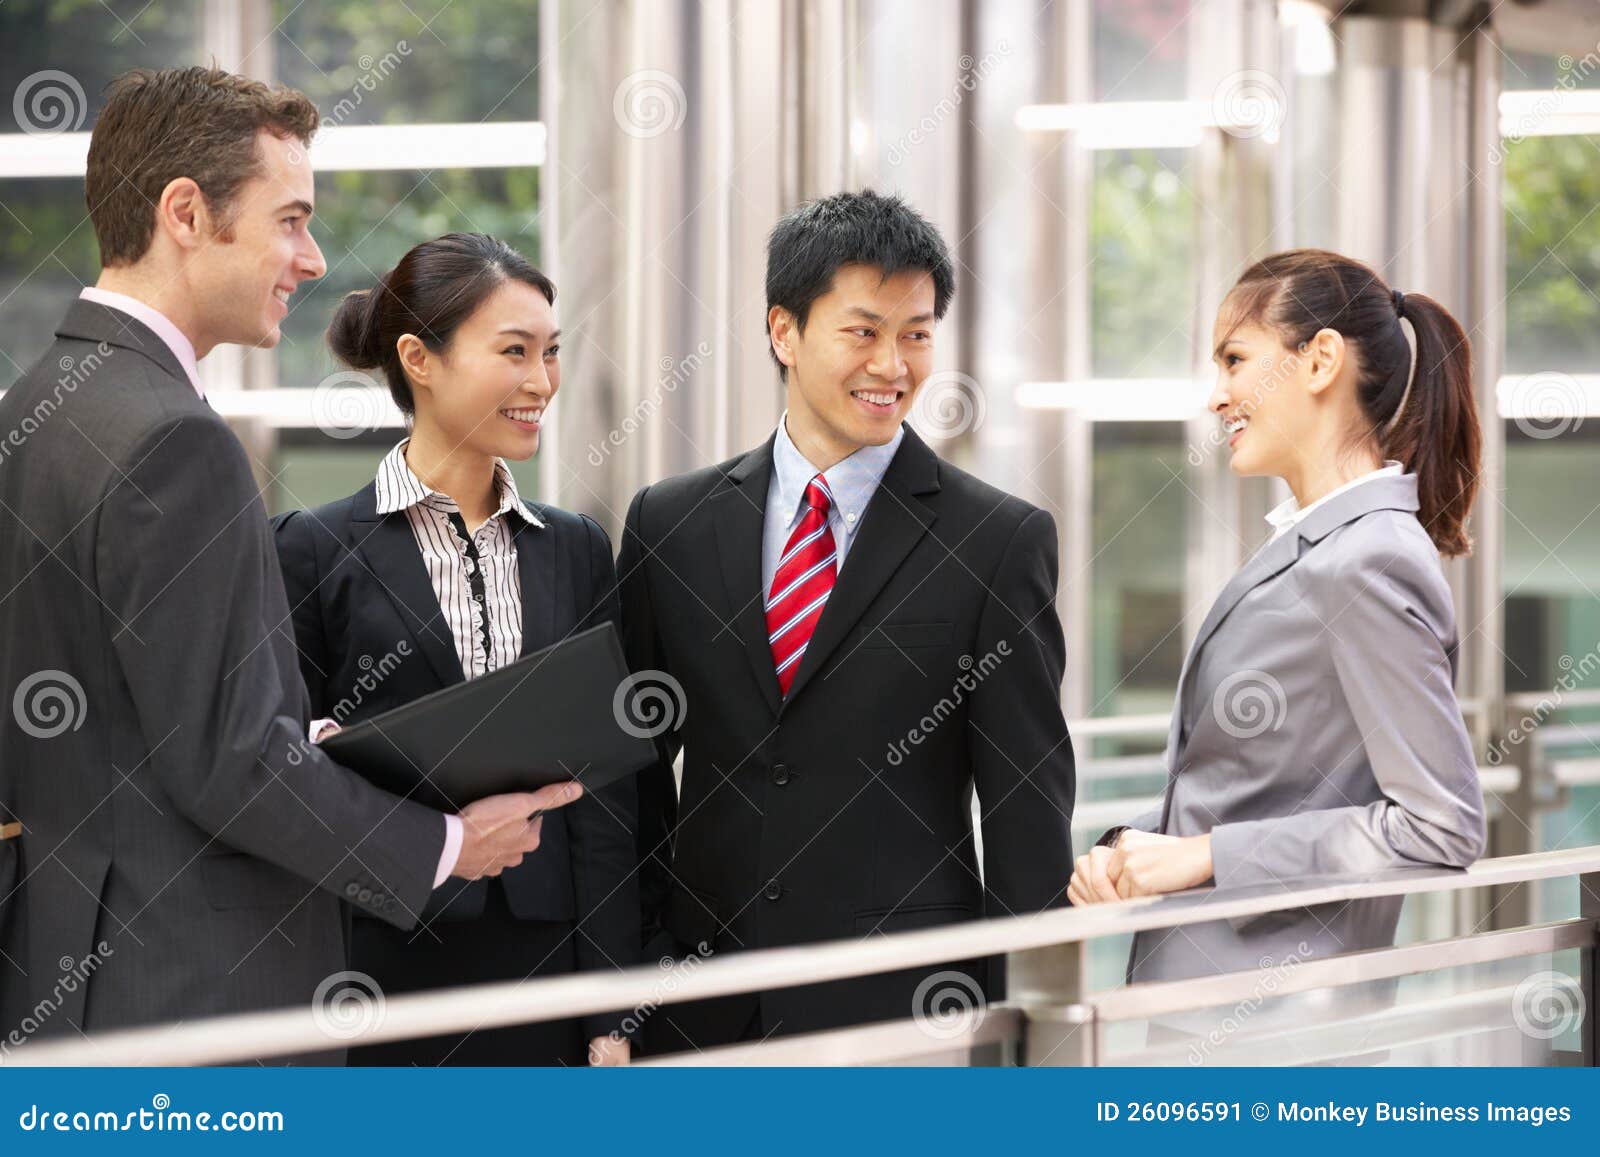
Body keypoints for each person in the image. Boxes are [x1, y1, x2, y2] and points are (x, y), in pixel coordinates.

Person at [0, 68, 577, 1061]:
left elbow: (120, 717)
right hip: (191, 1001)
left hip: (66, 974)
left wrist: (296, 735)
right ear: (186, 213)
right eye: (290, 221)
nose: (310, 259)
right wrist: (448, 843)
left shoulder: (36, 406)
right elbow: (230, 764)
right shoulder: (175, 440)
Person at [618, 190, 1076, 1052]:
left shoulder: (996, 540)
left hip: (907, 1015)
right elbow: (630, 779)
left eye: (916, 334)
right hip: (703, 1010)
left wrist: (1027, 1034)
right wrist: (632, 987)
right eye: (862, 331)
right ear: (783, 332)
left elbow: (1026, 813)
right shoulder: (669, 524)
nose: (892, 365)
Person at [1069, 248, 1487, 991]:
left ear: (1320, 359)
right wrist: (1136, 847)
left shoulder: (1367, 559)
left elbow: (1439, 825)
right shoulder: (1324, 545)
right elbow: (1260, 787)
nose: (1217, 396)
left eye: (1234, 360)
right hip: (1220, 1003)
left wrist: (1207, 856)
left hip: (1278, 1021)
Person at [272, 234, 637, 1066]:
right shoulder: (310, 550)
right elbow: (291, 777)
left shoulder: (576, 547)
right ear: (419, 359)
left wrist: (614, 1010)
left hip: (548, 972)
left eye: (550, 352)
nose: (541, 381)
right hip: (378, 966)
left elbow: (609, 797)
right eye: (514, 352)